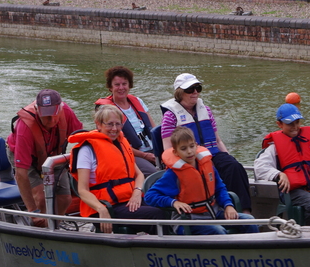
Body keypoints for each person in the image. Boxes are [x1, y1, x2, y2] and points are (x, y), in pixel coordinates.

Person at [160, 73, 252, 213]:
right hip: (190, 159)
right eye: (190, 89)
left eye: (198, 88)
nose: (195, 92)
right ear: (179, 92)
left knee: (234, 167)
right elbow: (168, 149)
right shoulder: (170, 116)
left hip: (212, 154)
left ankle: (243, 211)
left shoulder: (206, 110)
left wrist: (228, 156)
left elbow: (217, 140)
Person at [145, 127, 259, 235]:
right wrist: (173, 202)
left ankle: (254, 248)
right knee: (218, 230)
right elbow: (150, 196)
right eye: (183, 149)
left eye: (191, 146)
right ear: (175, 152)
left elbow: (220, 188)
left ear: (196, 145)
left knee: (249, 220)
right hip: (188, 220)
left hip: (213, 212)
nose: (189, 151)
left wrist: (228, 205)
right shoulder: (173, 174)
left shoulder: (207, 165)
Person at [68, 104, 164, 234]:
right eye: (109, 124)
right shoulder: (87, 150)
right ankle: (167, 244)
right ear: (98, 124)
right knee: (155, 214)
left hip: (130, 199)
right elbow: (82, 190)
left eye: (118, 124)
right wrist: (102, 209)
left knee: (165, 205)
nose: (114, 129)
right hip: (107, 205)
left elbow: (139, 175)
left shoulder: (122, 143)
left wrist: (137, 192)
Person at [7, 89, 83, 227]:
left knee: (65, 199)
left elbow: (82, 138)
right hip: (27, 157)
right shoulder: (25, 127)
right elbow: (21, 174)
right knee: (41, 198)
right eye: (46, 116)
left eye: (54, 114)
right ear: (37, 110)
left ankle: (54, 227)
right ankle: (40, 229)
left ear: (61, 108)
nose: (51, 120)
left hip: (53, 154)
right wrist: (33, 211)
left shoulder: (67, 112)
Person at [95, 66, 158, 176]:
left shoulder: (138, 101)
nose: (121, 88)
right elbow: (114, 143)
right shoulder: (106, 110)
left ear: (129, 85)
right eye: (117, 84)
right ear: (110, 87)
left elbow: (154, 129)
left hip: (152, 149)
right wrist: (144, 155)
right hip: (130, 153)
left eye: (124, 84)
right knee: (154, 174)